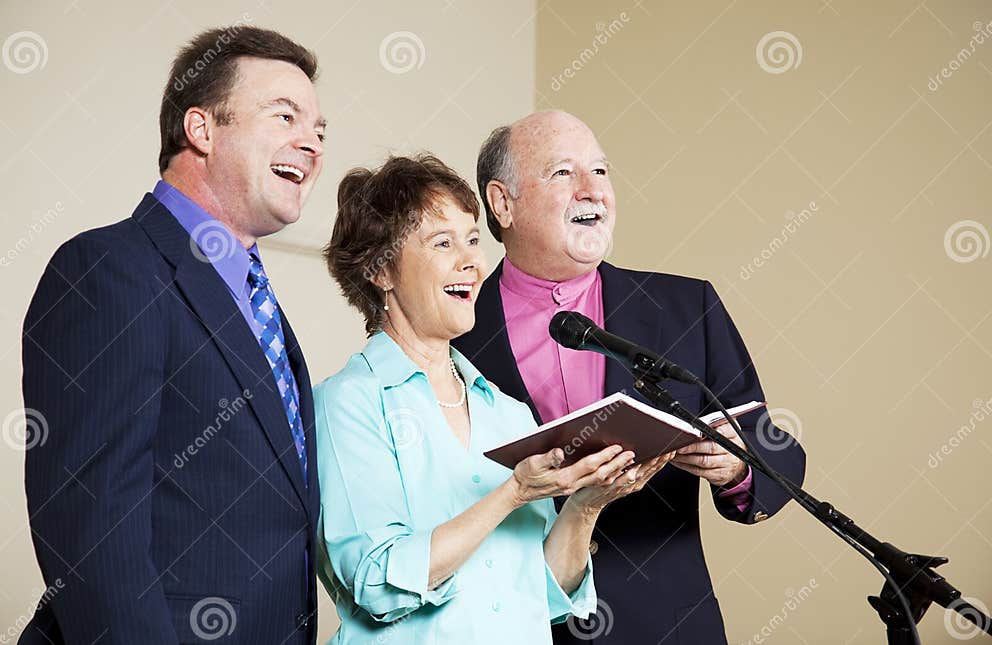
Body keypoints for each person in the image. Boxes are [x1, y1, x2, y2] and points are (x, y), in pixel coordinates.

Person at [452, 110, 808, 644]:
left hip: (667, 625)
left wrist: (738, 467)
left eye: (600, 171)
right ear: (503, 203)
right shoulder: (454, 330)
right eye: (562, 174)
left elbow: (773, 444)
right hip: (510, 627)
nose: (592, 191)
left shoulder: (686, 306)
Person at [20, 27, 326, 644]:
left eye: (320, 131)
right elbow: (92, 532)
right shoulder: (110, 268)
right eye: (285, 116)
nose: (311, 143)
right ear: (202, 129)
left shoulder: (258, 299)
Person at [315, 154, 673, 644]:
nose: (472, 262)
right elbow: (378, 584)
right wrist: (514, 493)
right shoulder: (346, 404)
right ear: (380, 271)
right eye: (443, 243)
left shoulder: (506, 411)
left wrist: (588, 503)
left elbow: (544, 594)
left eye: (473, 240)